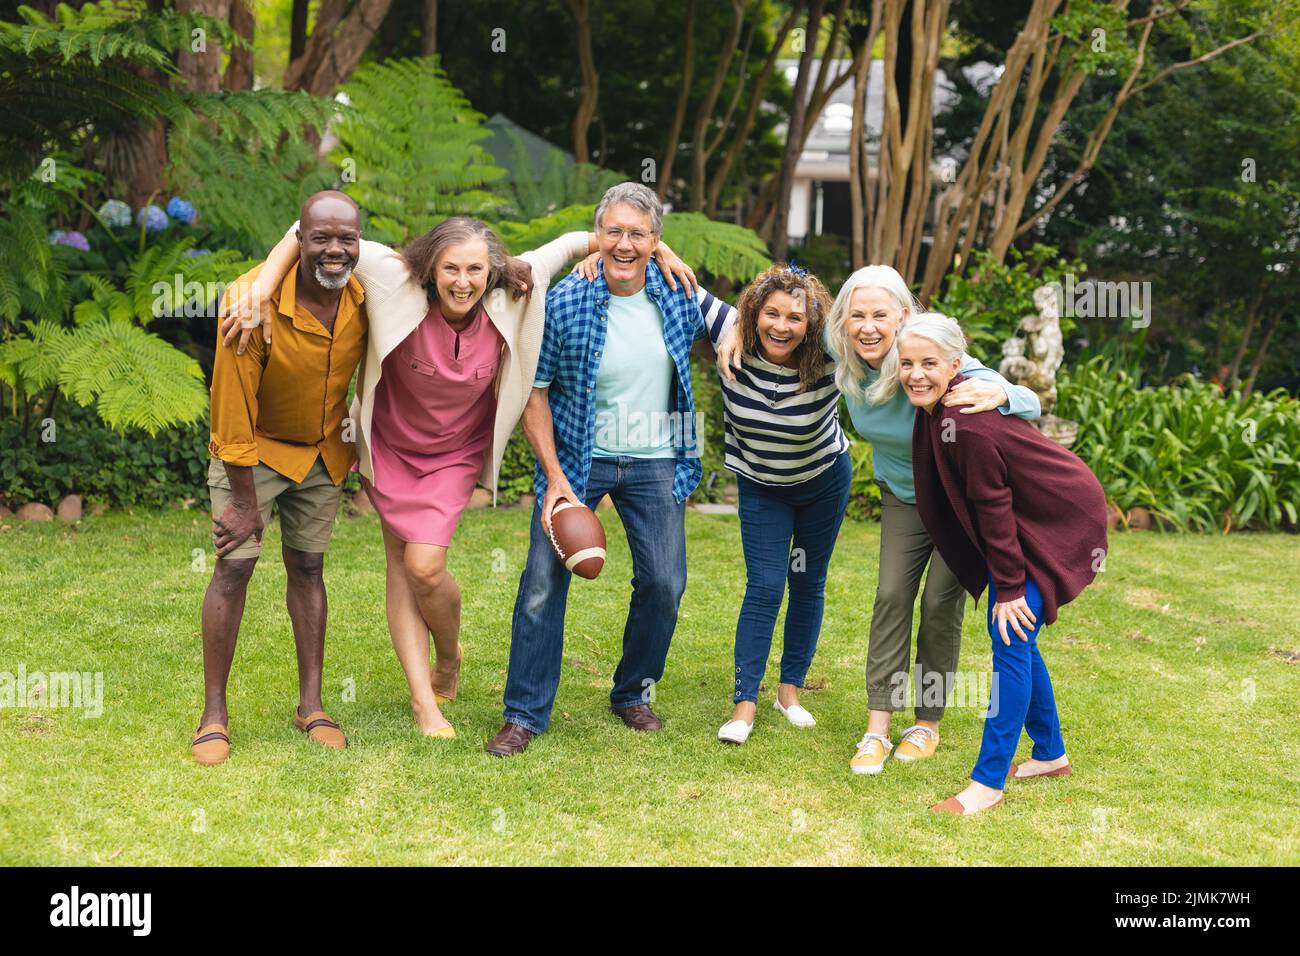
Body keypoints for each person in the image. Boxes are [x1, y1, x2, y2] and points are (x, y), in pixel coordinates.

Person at [220, 215, 701, 740]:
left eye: (475, 268)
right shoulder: (392, 278)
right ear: (432, 266)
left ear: (492, 270)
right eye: (450, 267)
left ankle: (447, 654)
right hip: (390, 448)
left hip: (454, 456)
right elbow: (303, 226)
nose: (462, 280)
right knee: (401, 568)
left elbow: (593, 239)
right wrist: (263, 290)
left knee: (426, 566)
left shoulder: (513, 292)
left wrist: (662, 253)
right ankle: (425, 702)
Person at [716, 265, 1040, 772]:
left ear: (904, 317)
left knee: (938, 604)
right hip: (905, 498)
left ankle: (926, 723)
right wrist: (737, 326)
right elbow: (775, 313)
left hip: (959, 505)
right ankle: (877, 729)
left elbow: (1030, 401)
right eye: (857, 314)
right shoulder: (842, 344)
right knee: (891, 596)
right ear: (843, 320)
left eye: (881, 315)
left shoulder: (923, 353)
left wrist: (1004, 393)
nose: (868, 326)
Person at [487, 182, 722, 757]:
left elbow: (746, 323)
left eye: (638, 234)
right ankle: (523, 713)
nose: (624, 243)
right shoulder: (566, 299)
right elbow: (534, 393)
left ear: (656, 241)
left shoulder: (677, 294)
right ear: (597, 236)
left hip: (656, 459)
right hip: (575, 461)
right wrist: (554, 478)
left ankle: (632, 693)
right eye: (613, 231)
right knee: (542, 584)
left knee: (665, 583)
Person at [894, 312, 1107, 814]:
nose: (916, 374)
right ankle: (1051, 754)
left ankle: (987, 782)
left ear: (955, 364)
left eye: (929, 364)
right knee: (1019, 634)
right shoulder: (943, 405)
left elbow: (993, 508)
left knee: (1009, 631)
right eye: (907, 364)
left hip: (1059, 515)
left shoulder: (964, 422)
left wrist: (1009, 587)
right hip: (1026, 519)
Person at [195, 191, 366, 765]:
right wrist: (244, 503)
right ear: (300, 238)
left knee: (309, 567)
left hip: (322, 454)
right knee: (235, 566)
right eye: (322, 238)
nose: (335, 250)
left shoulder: (367, 292)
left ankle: (311, 705)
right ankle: (213, 713)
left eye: (347, 238)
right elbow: (233, 410)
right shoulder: (250, 302)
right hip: (255, 453)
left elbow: (452, 264)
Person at [699, 264, 849, 745]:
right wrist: (596, 249)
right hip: (761, 485)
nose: (781, 326)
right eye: (771, 313)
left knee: (807, 582)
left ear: (812, 324)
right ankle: (744, 705)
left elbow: (890, 329)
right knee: (764, 586)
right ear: (752, 312)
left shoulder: (830, 350)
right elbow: (672, 271)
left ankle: (790, 692)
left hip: (822, 480)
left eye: (795, 318)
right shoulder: (730, 330)